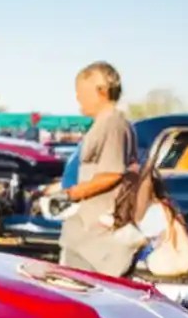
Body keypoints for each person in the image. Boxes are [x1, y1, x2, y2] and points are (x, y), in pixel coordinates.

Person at [48, 61, 140, 275]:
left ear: (102, 91)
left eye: (81, 91)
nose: (78, 97)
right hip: (86, 240)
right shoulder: (104, 123)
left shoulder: (113, 124)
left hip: (97, 243)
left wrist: (72, 194)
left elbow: (112, 174)